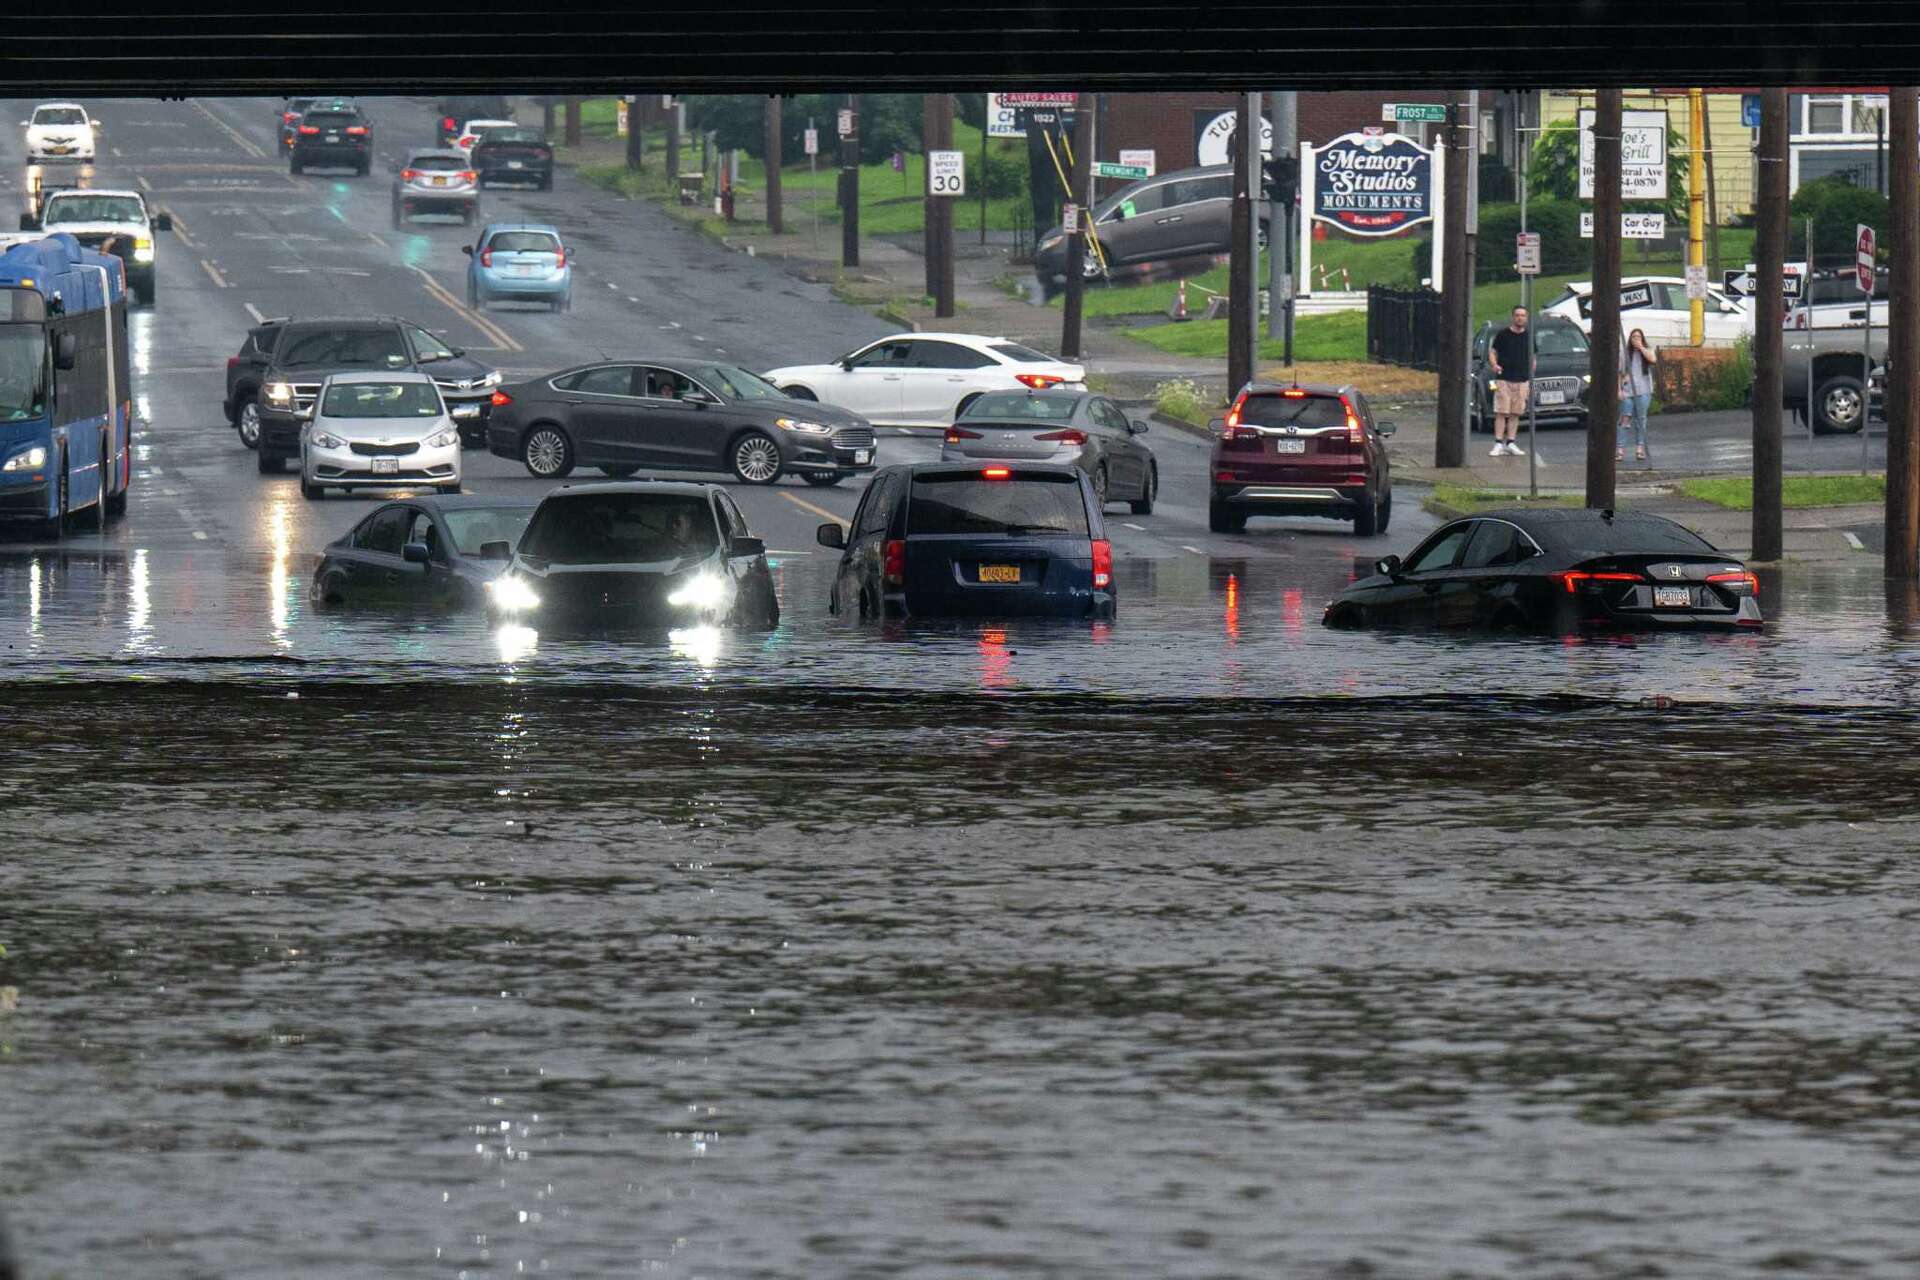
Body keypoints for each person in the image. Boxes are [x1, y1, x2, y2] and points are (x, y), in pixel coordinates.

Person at [1486, 306, 1532, 457]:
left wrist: (1530, 376)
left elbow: (1533, 357)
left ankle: (1511, 442)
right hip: (1504, 378)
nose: (1520, 318)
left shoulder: (1529, 336)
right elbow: (1493, 352)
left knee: (1515, 413)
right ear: (1513, 317)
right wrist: (1494, 365)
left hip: (1522, 379)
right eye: (1517, 315)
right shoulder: (1503, 335)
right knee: (1501, 411)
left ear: (1526, 318)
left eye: (1523, 315)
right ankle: (1498, 443)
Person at [1617, 328, 1657, 464]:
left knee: (1641, 420)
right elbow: (1619, 373)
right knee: (1625, 418)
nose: (1636, 339)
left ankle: (1640, 448)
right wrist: (1619, 390)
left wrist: (1641, 348)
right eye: (1634, 337)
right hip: (1628, 391)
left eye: (1638, 337)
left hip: (1644, 390)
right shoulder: (1625, 353)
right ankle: (1620, 450)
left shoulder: (1647, 350)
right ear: (1630, 339)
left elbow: (1652, 359)